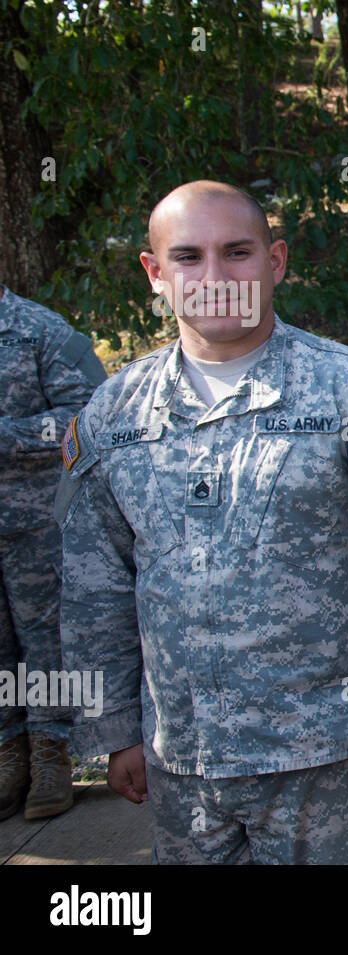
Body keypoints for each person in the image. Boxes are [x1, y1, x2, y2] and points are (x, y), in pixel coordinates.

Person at [56, 181, 348, 863]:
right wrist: (112, 729)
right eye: (188, 257)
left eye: (237, 252)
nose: (215, 278)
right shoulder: (114, 414)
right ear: (155, 273)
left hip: (332, 761)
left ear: (275, 261)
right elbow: (94, 588)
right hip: (185, 764)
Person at [0, 286, 105, 821]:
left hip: (35, 522)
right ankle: (7, 754)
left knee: (45, 642)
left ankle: (51, 754)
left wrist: (7, 437)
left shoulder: (39, 330)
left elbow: (86, 413)